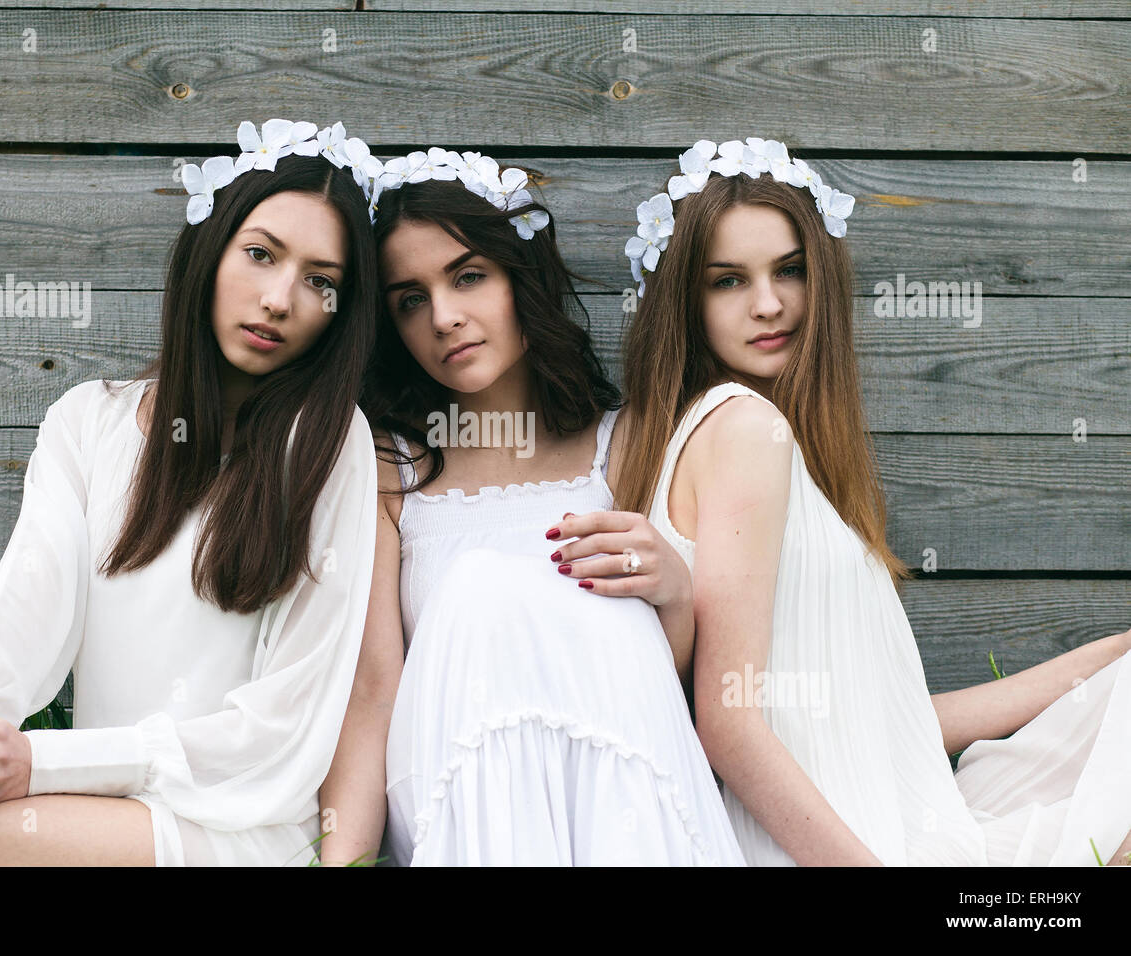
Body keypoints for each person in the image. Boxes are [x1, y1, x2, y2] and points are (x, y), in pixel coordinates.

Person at [0, 119, 380, 866]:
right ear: (210, 249)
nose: (281, 299)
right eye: (260, 254)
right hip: (92, 799)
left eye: (322, 281)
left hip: (219, 826)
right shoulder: (90, 419)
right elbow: (17, 619)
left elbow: (275, 732)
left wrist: (40, 764)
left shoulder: (330, 443)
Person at [616, 136, 1131, 866]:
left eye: (789, 270)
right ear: (684, 299)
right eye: (727, 281)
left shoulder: (733, 437)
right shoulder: (742, 427)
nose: (769, 304)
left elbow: (859, 719)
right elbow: (728, 726)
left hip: (870, 822)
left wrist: (1103, 660)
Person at [317, 146, 746, 866]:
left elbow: (659, 676)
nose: (445, 317)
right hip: (457, 795)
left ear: (523, 279)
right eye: (411, 300)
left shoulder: (630, 444)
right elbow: (372, 695)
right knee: (485, 590)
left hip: (615, 789)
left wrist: (674, 593)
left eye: (469, 277)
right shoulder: (390, 469)